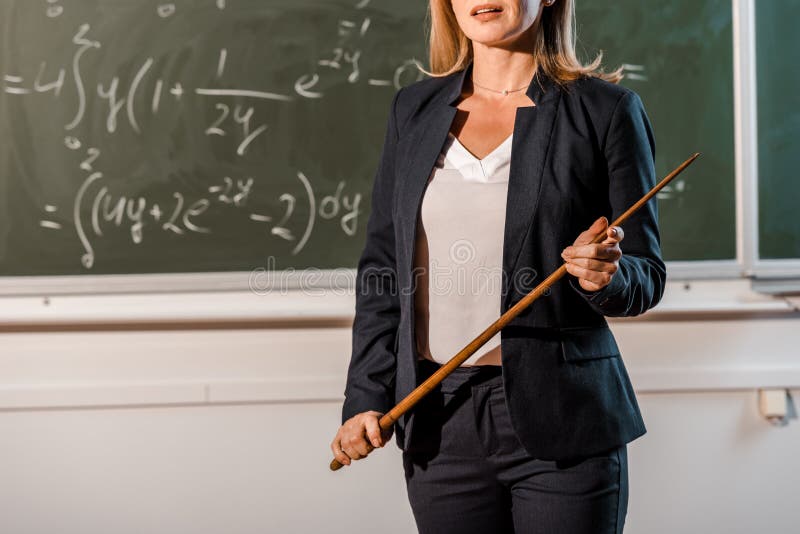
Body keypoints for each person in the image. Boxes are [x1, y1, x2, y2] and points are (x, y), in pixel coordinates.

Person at [331, 0, 665, 532]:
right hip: (439, 419)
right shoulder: (413, 110)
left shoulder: (607, 111)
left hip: (565, 423)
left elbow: (645, 273)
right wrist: (366, 396)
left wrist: (607, 275)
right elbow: (383, 271)